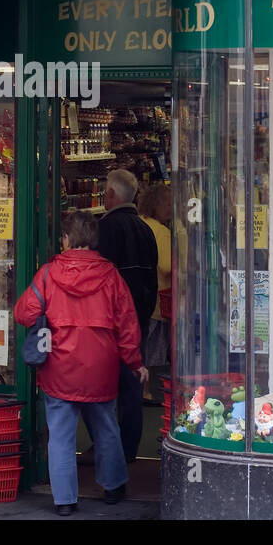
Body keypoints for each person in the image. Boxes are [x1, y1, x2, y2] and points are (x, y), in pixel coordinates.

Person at [14, 211, 146, 516]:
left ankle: (64, 500)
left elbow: (24, 313)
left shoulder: (47, 274)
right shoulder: (111, 275)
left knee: (60, 435)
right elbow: (127, 325)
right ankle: (112, 487)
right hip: (101, 367)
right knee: (106, 428)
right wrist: (135, 362)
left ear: (66, 239)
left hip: (60, 367)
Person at [96, 168, 158, 461]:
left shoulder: (107, 229)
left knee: (103, 388)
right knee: (133, 387)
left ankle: (107, 449)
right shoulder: (145, 229)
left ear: (110, 194)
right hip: (139, 321)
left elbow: (101, 281)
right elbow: (151, 280)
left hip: (110, 324)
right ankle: (129, 449)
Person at [137, 183, 173, 401]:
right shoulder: (162, 232)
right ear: (158, 205)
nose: (170, 209)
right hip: (158, 297)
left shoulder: (139, 224)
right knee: (151, 349)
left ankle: (140, 389)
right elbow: (167, 266)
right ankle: (146, 390)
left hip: (139, 295)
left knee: (140, 344)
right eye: (168, 204)